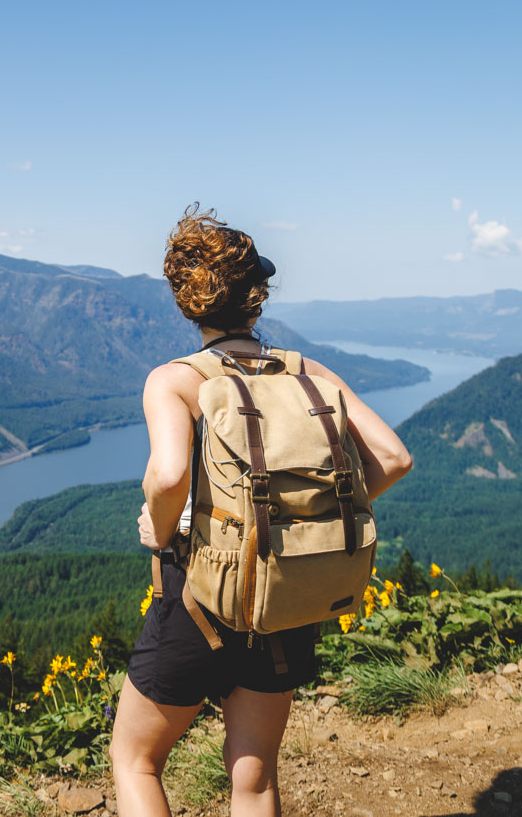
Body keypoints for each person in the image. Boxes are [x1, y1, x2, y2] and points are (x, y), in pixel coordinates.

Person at [109, 205, 413, 817]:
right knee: (254, 777)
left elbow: (169, 476)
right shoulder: (308, 374)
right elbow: (394, 457)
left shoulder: (175, 379)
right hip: (289, 595)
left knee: (136, 758)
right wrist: (313, 520)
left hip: (201, 596)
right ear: (256, 297)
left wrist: (160, 530)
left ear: (186, 303)